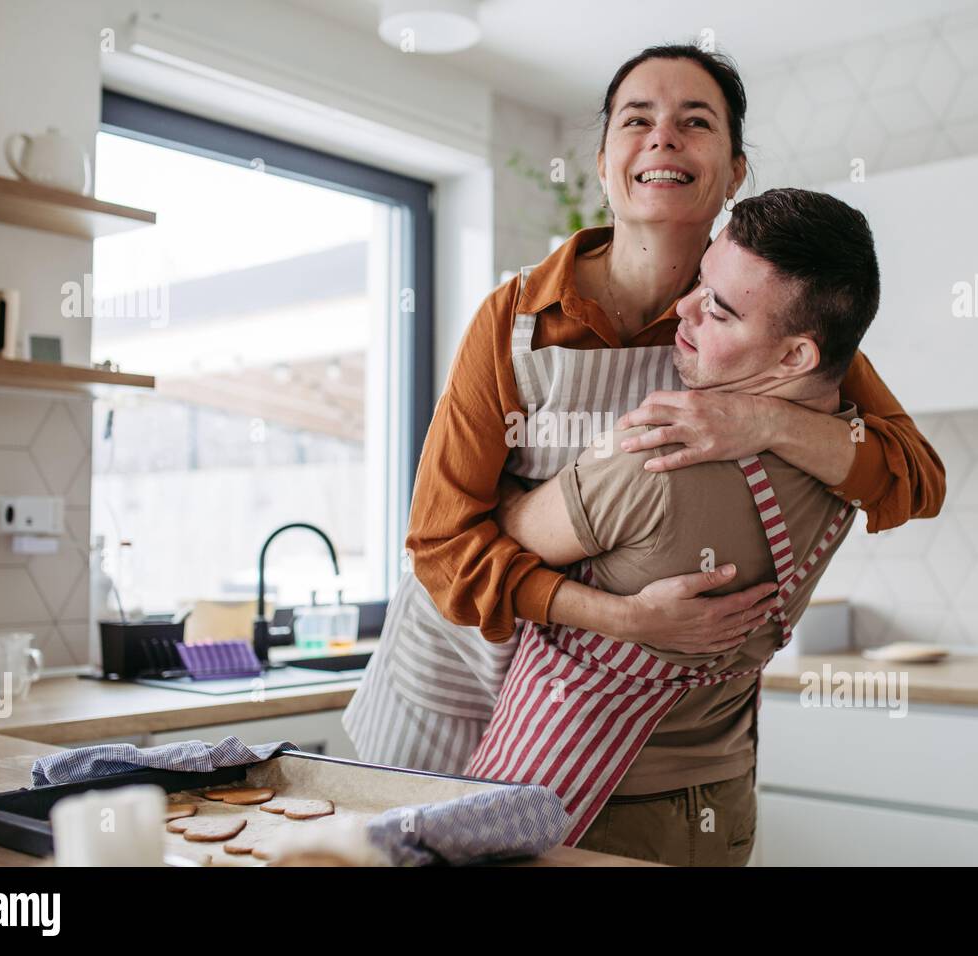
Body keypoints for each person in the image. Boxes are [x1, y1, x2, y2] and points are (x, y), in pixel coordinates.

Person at [341, 43, 944, 777]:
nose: (663, 136)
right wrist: (622, 617)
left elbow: (913, 479)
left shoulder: (755, 322)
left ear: (734, 172)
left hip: (589, 721)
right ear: (602, 163)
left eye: (695, 121)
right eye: (637, 120)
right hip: (451, 674)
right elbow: (440, 546)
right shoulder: (516, 319)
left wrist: (763, 421)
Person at [467, 187, 879, 866]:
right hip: (725, 800)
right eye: (699, 283)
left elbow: (505, 522)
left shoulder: (657, 460)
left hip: (590, 814)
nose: (682, 311)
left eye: (717, 309)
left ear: (797, 357)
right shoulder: (852, 459)